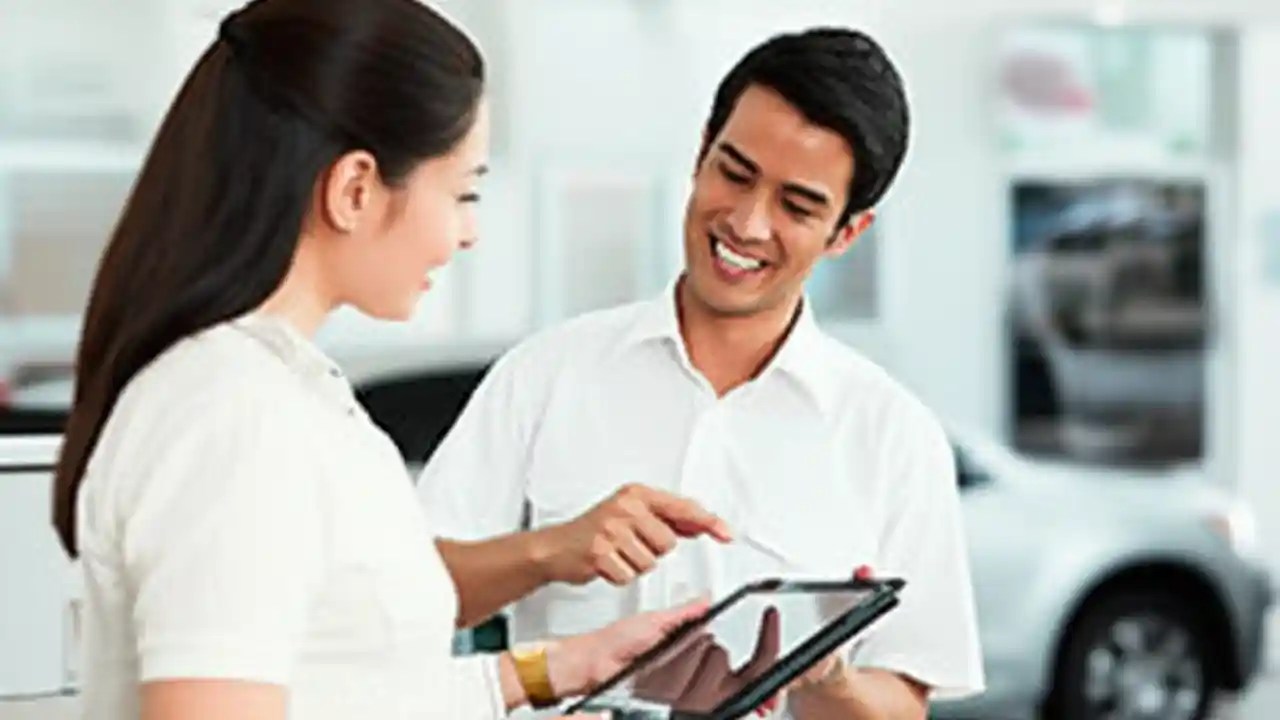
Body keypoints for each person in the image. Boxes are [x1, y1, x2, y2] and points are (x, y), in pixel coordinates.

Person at [49, 1, 735, 718]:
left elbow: (354, 687)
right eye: (462, 192)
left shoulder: (293, 393)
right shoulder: (234, 414)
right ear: (354, 190)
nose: (468, 232)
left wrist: (561, 667)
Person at [419, 27, 985, 718]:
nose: (747, 223)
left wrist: (825, 674)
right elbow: (404, 600)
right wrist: (547, 552)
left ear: (846, 233)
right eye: (735, 174)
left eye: (797, 206)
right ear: (700, 155)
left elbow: (904, 701)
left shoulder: (893, 436)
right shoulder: (545, 376)